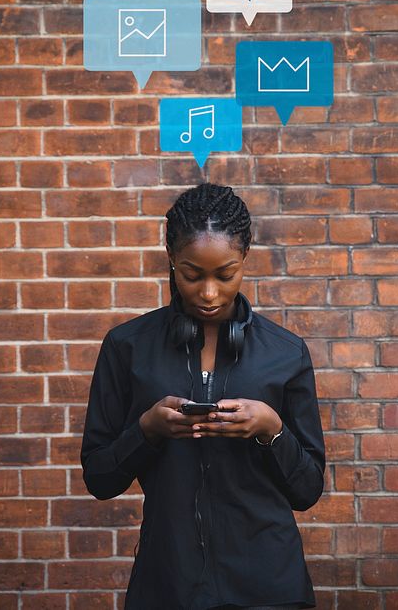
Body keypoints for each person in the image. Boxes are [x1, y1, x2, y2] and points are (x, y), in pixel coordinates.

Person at [80, 182, 326, 610]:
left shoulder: (286, 353)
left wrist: (271, 429)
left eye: (225, 275)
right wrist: (146, 429)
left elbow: (307, 490)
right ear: (171, 259)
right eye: (192, 275)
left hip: (269, 587)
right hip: (168, 585)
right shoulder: (127, 347)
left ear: (245, 258)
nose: (209, 293)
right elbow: (100, 478)